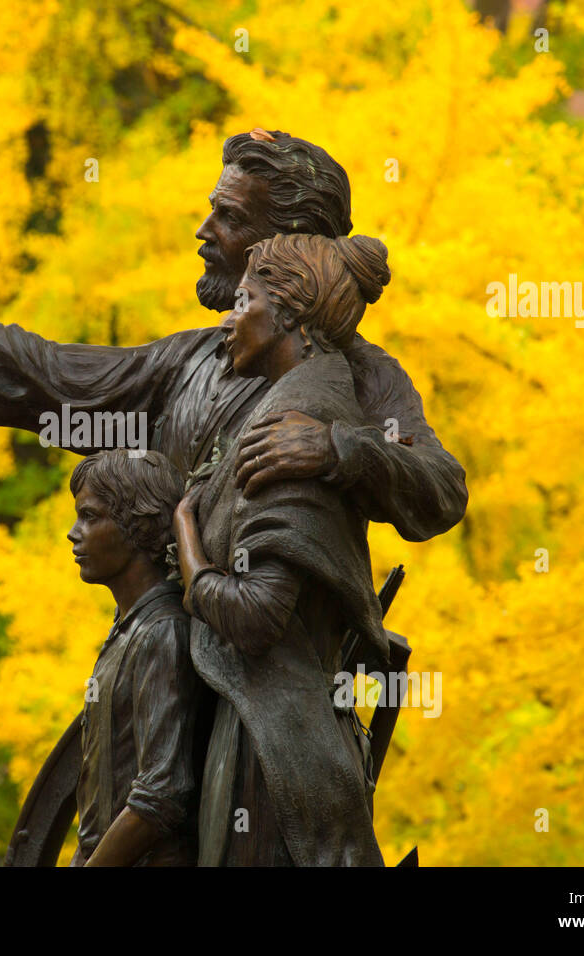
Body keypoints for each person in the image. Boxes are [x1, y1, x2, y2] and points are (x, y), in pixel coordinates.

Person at [0, 129, 467, 543]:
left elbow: (439, 491)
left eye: (228, 218)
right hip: (169, 662)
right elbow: (34, 377)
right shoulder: (185, 366)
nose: (204, 232)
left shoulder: (366, 381)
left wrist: (341, 450)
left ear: (286, 244)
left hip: (277, 684)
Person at [173, 232, 394, 866]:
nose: (227, 318)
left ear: (290, 315)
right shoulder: (293, 408)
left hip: (273, 753)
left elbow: (256, 616)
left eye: (243, 301)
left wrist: (188, 545)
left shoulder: (292, 425)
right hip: (266, 735)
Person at [64, 449, 200, 866]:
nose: (73, 533)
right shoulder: (128, 630)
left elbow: (162, 792)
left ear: (136, 525)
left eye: (90, 516)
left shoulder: (162, 632)